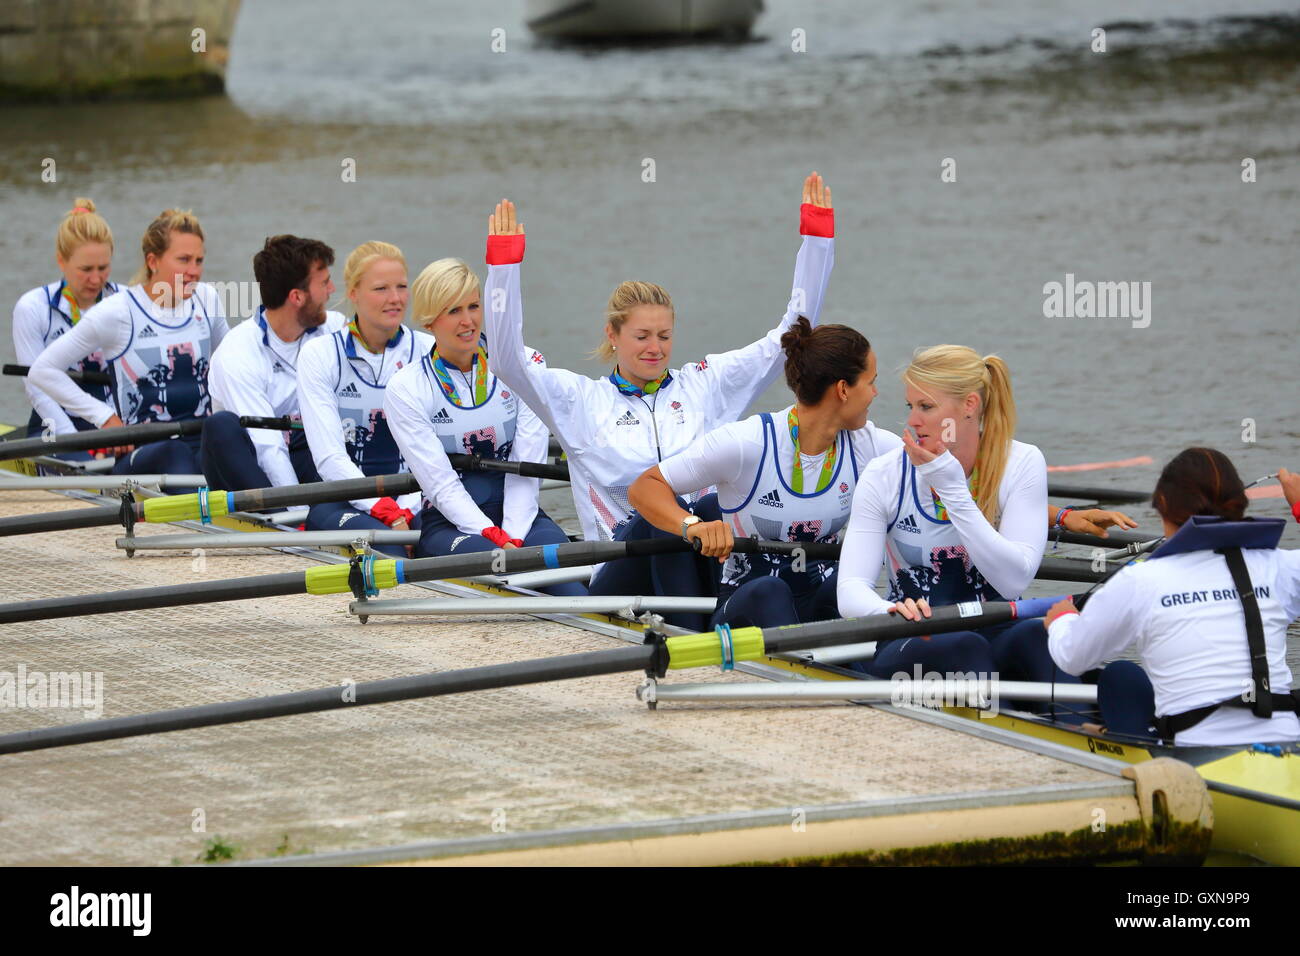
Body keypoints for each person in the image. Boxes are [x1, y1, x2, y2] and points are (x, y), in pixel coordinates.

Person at [483, 173, 836, 627]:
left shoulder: (705, 385)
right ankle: (696, 638)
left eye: (665, 336)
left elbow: (791, 335)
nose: (655, 347)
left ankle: (733, 620)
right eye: (642, 336)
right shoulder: (579, 399)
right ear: (612, 336)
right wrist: (504, 267)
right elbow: (507, 361)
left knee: (709, 508)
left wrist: (817, 241)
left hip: (696, 557)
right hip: (620, 569)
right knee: (660, 515)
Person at [628, 318, 898, 628]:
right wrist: (691, 525)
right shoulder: (747, 443)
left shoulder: (872, 447)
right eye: (870, 382)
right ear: (842, 390)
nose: (875, 393)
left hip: (816, 599)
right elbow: (646, 486)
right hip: (748, 605)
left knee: (841, 587)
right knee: (771, 591)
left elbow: (938, 473)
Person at [836, 344, 1069, 694]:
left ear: (969, 406)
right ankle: (1005, 729)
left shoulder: (1022, 463)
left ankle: (1086, 731)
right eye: (911, 406)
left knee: (1038, 634)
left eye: (926, 407)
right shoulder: (884, 474)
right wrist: (890, 610)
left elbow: (1013, 580)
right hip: (912, 634)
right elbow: (850, 591)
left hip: (995, 629)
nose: (913, 421)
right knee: (965, 646)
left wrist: (952, 488)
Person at [1044, 449, 1300, 746]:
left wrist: (1062, 621)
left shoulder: (1139, 581)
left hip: (1200, 755)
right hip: (1290, 745)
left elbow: (1072, 658)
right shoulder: (1279, 566)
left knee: (1120, 676)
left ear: (1163, 504)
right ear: (1238, 503)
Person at [384, 258, 584, 595]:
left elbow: (528, 461)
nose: (468, 321)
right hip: (452, 525)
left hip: (524, 515)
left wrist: (515, 534)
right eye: (453, 311)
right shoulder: (406, 388)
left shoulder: (525, 364)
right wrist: (492, 535)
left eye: (474, 306)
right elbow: (440, 483)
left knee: (574, 590)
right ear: (430, 320)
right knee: (513, 578)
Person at [28, 208, 227, 475]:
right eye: (183, 260)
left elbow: (230, 365)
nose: (194, 271)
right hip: (144, 452)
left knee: (229, 433)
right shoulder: (118, 311)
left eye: (199, 261)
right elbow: (43, 371)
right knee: (174, 451)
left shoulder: (207, 298)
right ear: (153, 261)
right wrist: (106, 419)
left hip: (200, 438)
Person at [297, 241, 431, 556]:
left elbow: (431, 454)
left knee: (440, 546)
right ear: (354, 293)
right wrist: (385, 510)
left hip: (415, 497)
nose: (396, 298)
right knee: (391, 554)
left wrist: (406, 510)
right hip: (341, 499)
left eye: (401, 286)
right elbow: (330, 459)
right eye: (381, 289)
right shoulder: (320, 355)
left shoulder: (428, 352)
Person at [203, 235, 345, 491]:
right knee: (220, 425)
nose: (332, 290)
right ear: (297, 297)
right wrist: (294, 517)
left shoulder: (335, 328)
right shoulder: (237, 353)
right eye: (324, 283)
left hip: (306, 454)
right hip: (251, 469)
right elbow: (268, 449)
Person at [11, 199, 118, 451]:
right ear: (61, 261)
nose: (96, 279)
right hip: (54, 425)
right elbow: (37, 389)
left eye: (103, 268)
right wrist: (75, 443)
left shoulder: (124, 301)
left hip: (113, 423)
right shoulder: (33, 307)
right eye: (86, 269)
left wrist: (118, 434)